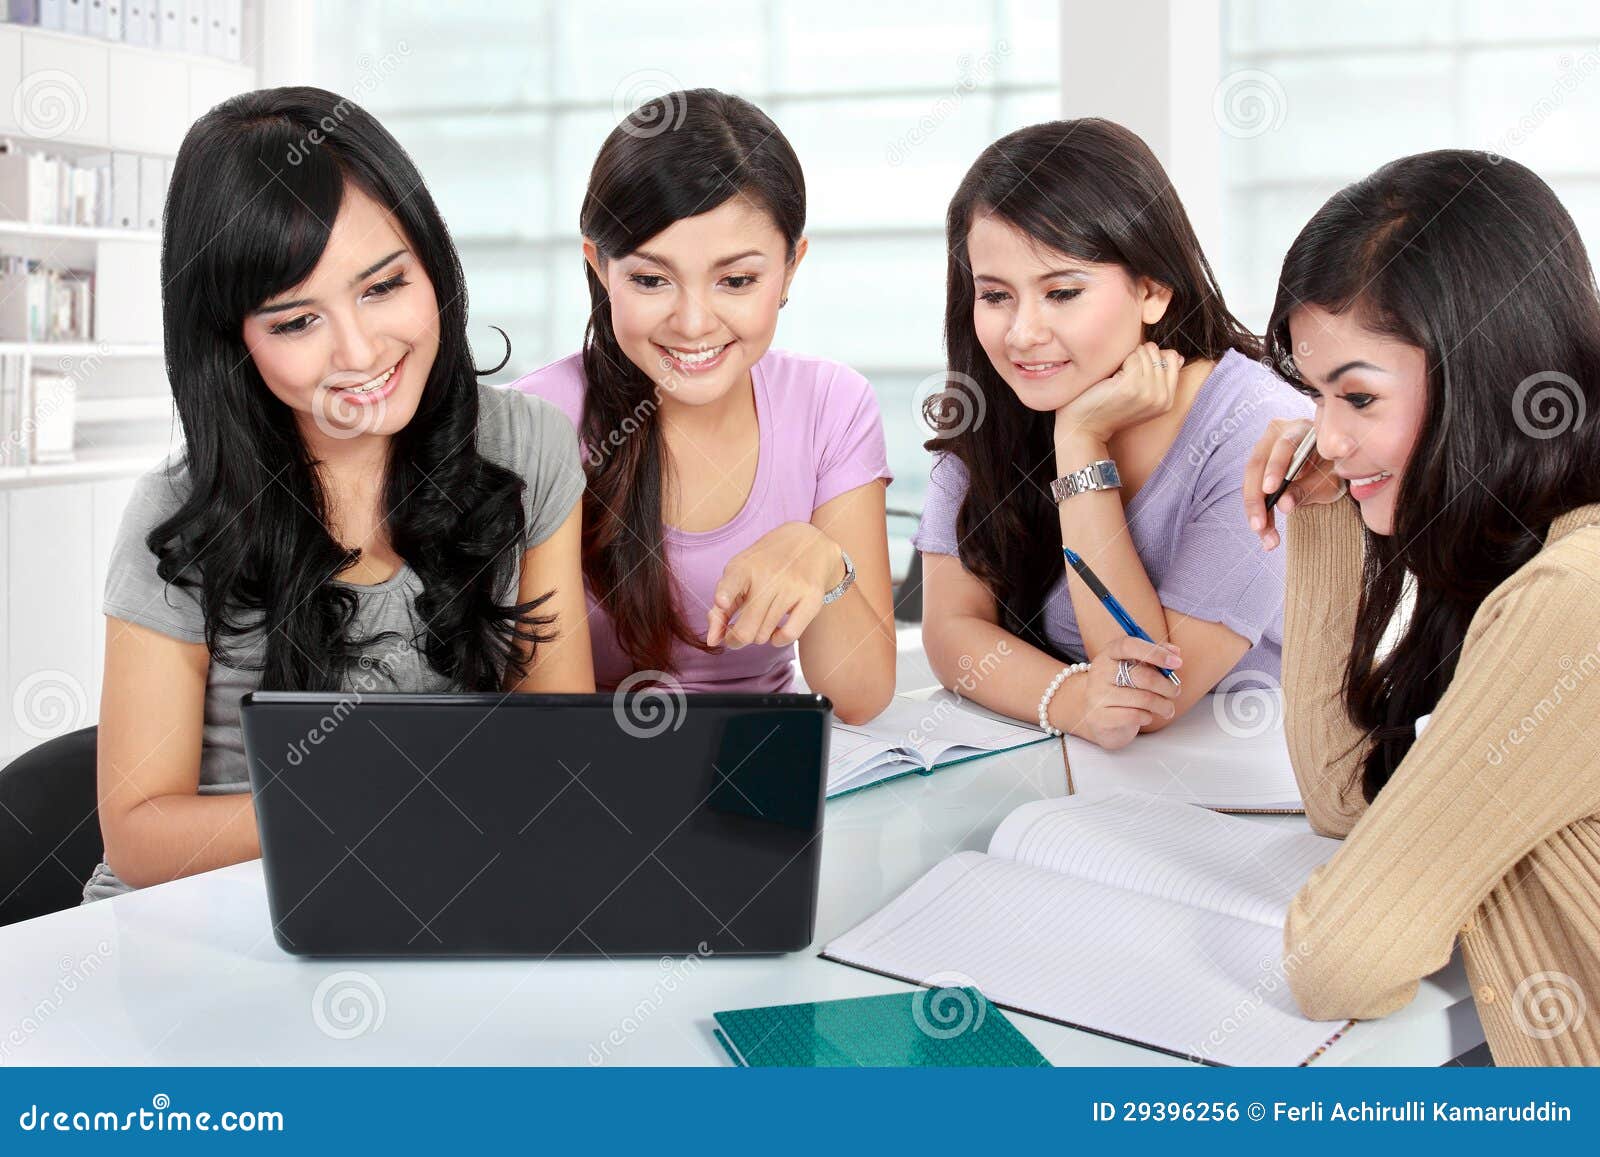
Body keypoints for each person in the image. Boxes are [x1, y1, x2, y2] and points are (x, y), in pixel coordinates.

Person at [87, 87, 594, 899]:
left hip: (430, 898)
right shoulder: (181, 515)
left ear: (431, 261)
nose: (358, 352)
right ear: (232, 342)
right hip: (207, 917)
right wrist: (385, 806)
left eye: (383, 286)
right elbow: (140, 838)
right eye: (295, 322)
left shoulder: (525, 447)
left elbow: (560, 750)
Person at [1242, 150, 1600, 1065]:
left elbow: (1341, 960)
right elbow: (1345, 801)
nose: (1326, 435)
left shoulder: (1575, 597)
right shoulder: (1528, 542)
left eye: (1359, 395)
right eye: (1315, 396)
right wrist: (1324, 513)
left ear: (1486, 370)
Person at [917, 118, 1310, 749]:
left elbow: (1150, 691)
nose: (1022, 333)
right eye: (994, 295)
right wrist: (1072, 699)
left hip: (1239, 775)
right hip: (1065, 770)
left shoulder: (1257, 429)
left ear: (1152, 290)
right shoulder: (991, 407)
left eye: (1062, 292)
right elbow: (952, 631)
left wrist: (1079, 443)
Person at [515, 89, 895, 723]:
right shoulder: (534, 421)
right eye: (651, 279)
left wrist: (825, 561)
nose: (693, 324)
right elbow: (552, 725)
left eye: (736, 281)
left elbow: (860, 698)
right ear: (600, 268)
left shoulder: (832, 405)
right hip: (594, 761)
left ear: (791, 268)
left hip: (763, 757)